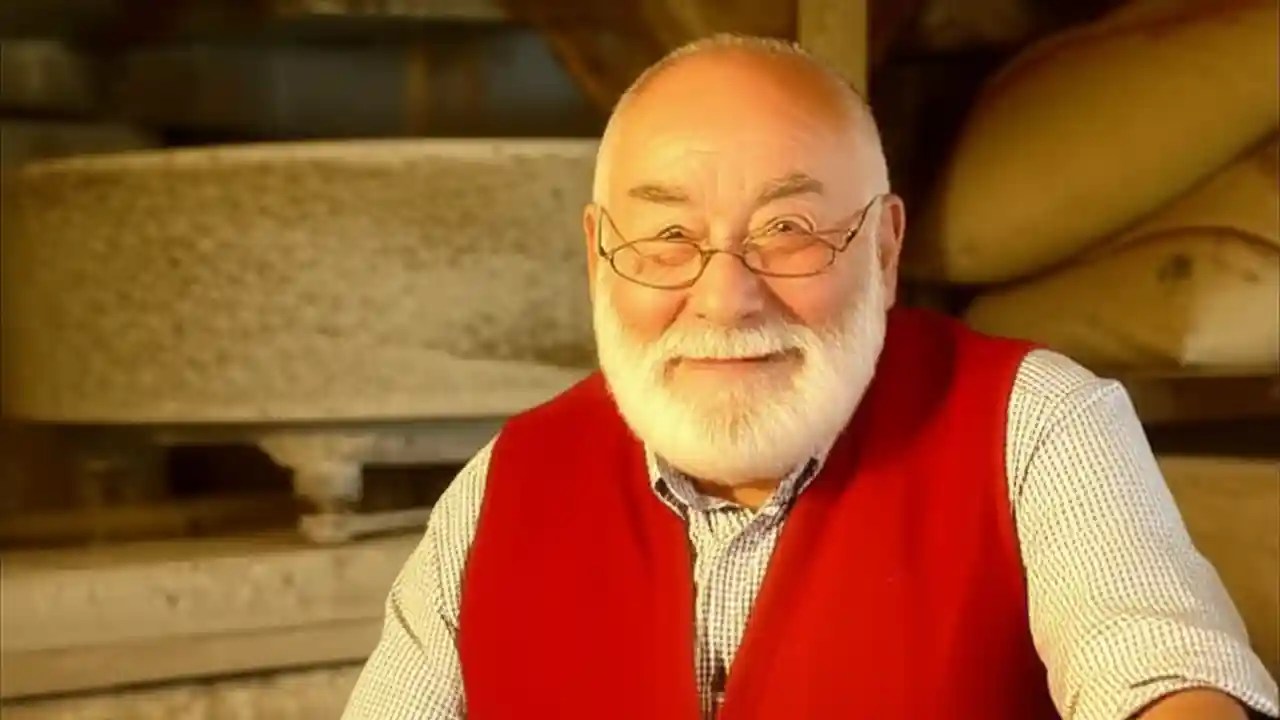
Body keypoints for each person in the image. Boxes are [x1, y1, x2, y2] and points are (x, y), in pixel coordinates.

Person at [342, 34, 1278, 720]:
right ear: (596, 259)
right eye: (668, 238)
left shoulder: (1034, 426)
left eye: (787, 232)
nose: (725, 298)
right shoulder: (503, 489)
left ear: (883, 248)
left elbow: (1164, 674)